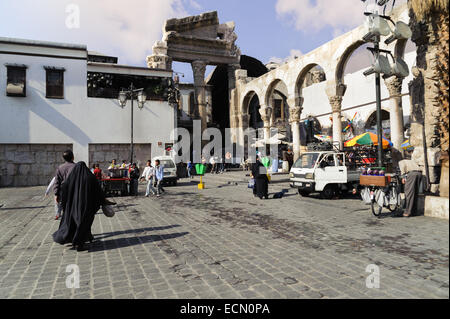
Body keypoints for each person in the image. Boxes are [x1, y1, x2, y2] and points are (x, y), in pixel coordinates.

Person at [53, 161, 116, 251]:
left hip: (73, 207)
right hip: (87, 206)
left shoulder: (71, 178)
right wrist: (104, 201)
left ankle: (79, 241)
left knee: (74, 223)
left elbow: (64, 188)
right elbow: (98, 190)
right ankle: (79, 244)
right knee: (84, 224)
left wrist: (62, 200)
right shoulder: (90, 177)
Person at [399, 150, 423, 217]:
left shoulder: (401, 162)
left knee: (409, 193)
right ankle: (414, 211)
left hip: (412, 174)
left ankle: (407, 212)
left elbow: (402, 169)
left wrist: (403, 177)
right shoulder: (411, 161)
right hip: (419, 173)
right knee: (415, 193)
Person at [54, 150, 77, 220]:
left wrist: (56, 194)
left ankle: (62, 218)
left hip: (63, 192)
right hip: (74, 191)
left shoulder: (60, 168)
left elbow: (56, 182)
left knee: (65, 210)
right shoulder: (76, 167)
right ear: (73, 157)